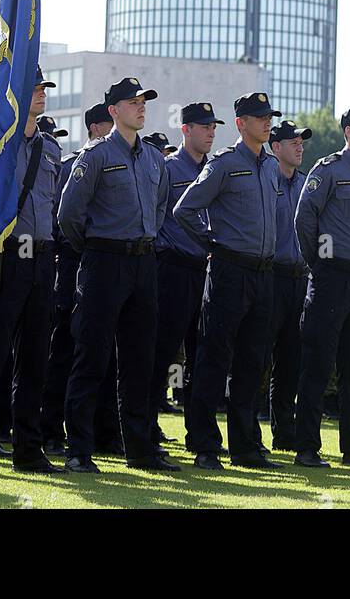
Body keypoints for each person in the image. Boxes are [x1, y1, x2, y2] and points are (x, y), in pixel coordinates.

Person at [58, 76, 172, 474]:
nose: (141, 107)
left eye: (143, 101)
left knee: (140, 361)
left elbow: (160, 210)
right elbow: (69, 215)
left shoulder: (155, 158)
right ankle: (80, 450)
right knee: (92, 356)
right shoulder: (95, 156)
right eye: (132, 101)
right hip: (103, 261)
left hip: (143, 262)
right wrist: (95, 246)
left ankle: (139, 450)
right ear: (113, 110)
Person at [0, 81, 65, 476]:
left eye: (44, 88)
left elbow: (51, 206)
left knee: (35, 360)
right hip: (2, 256)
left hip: (39, 257)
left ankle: (28, 450)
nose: (41, 94)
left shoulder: (49, 147)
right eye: (33, 87)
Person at [172, 90, 281, 471]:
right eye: (260, 117)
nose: (267, 122)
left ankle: (246, 446)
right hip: (228, 271)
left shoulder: (270, 166)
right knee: (214, 360)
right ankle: (204, 444)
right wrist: (211, 244)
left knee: (253, 361)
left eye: (269, 116)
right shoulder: (223, 163)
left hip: (263, 273)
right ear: (241, 123)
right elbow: (185, 209)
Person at [293, 104, 350, 468]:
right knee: (318, 364)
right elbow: (304, 220)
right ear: (348, 131)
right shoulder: (328, 169)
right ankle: (306, 448)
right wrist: (319, 264)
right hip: (331, 277)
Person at [41, 102, 119, 456]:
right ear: (92, 128)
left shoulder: (130, 160)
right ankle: (53, 429)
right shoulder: (75, 164)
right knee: (66, 349)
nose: (110, 131)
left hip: (108, 265)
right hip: (75, 261)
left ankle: (104, 431)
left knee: (106, 352)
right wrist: (83, 246)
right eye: (105, 124)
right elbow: (63, 216)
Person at [148, 101, 220, 453]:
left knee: (202, 355)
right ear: (186, 129)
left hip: (207, 270)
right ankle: (146, 430)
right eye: (204, 126)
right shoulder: (167, 168)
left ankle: (201, 434)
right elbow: (154, 215)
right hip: (173, 267)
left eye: (213, 127)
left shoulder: (217, 169)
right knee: (161, 352)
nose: (210, 132)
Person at [260, 120, 309, 453]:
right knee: (258, 359)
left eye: (301, 142)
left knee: (290, 361)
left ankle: (284, 433)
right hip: (268, 277)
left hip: (299, 279)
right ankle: (249, 433)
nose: (299, 146)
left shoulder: (308, 184)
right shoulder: (263, 179)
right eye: (293, 141)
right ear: (275, 147)